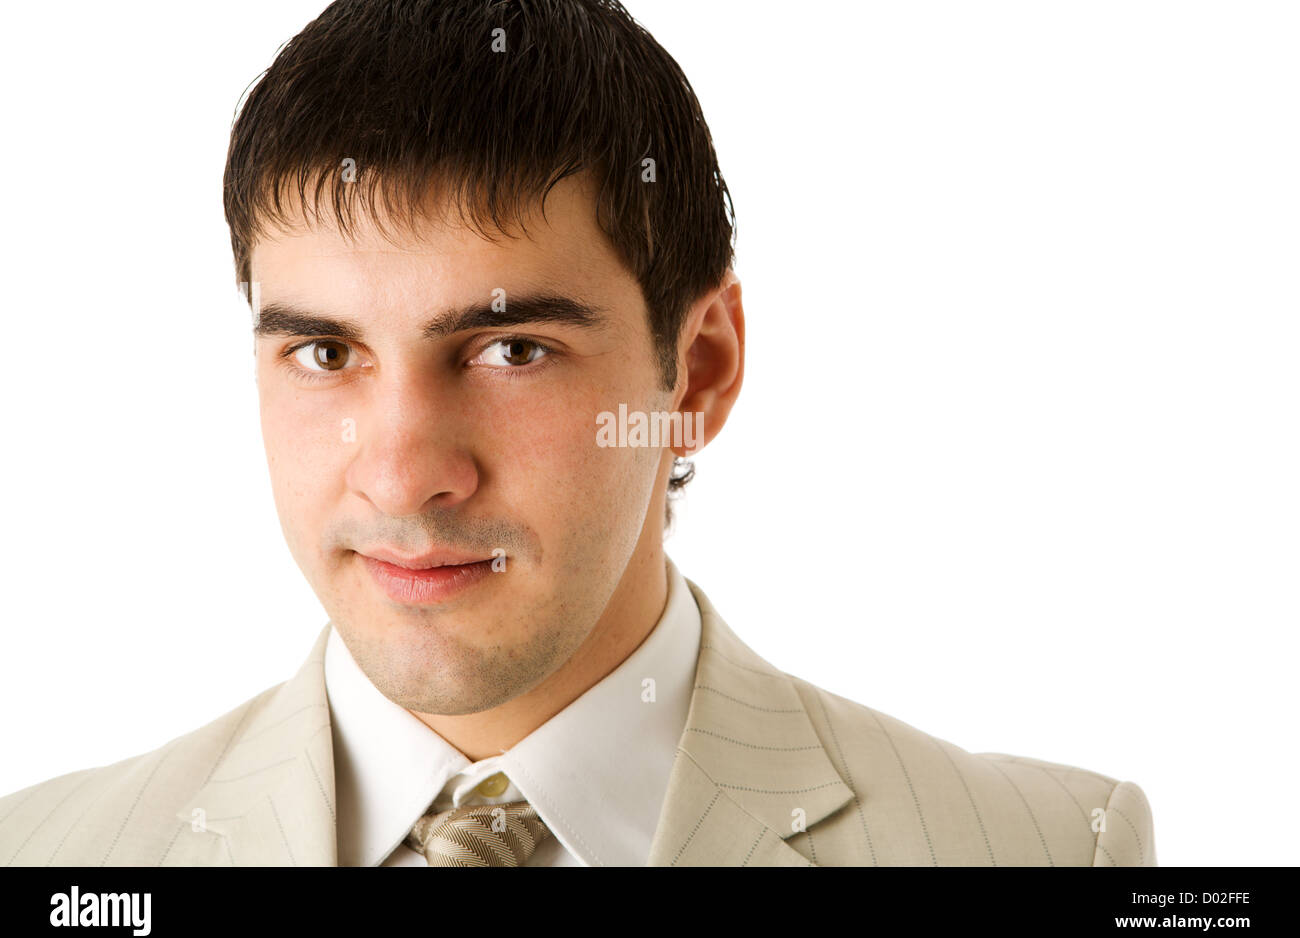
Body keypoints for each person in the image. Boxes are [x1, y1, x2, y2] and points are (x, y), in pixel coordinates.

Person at [0, 0, 1154, 867]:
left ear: (696, 367)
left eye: (509, 350)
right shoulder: (50, 856)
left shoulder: (1050, 848)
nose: (402, 472)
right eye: (325, 351)